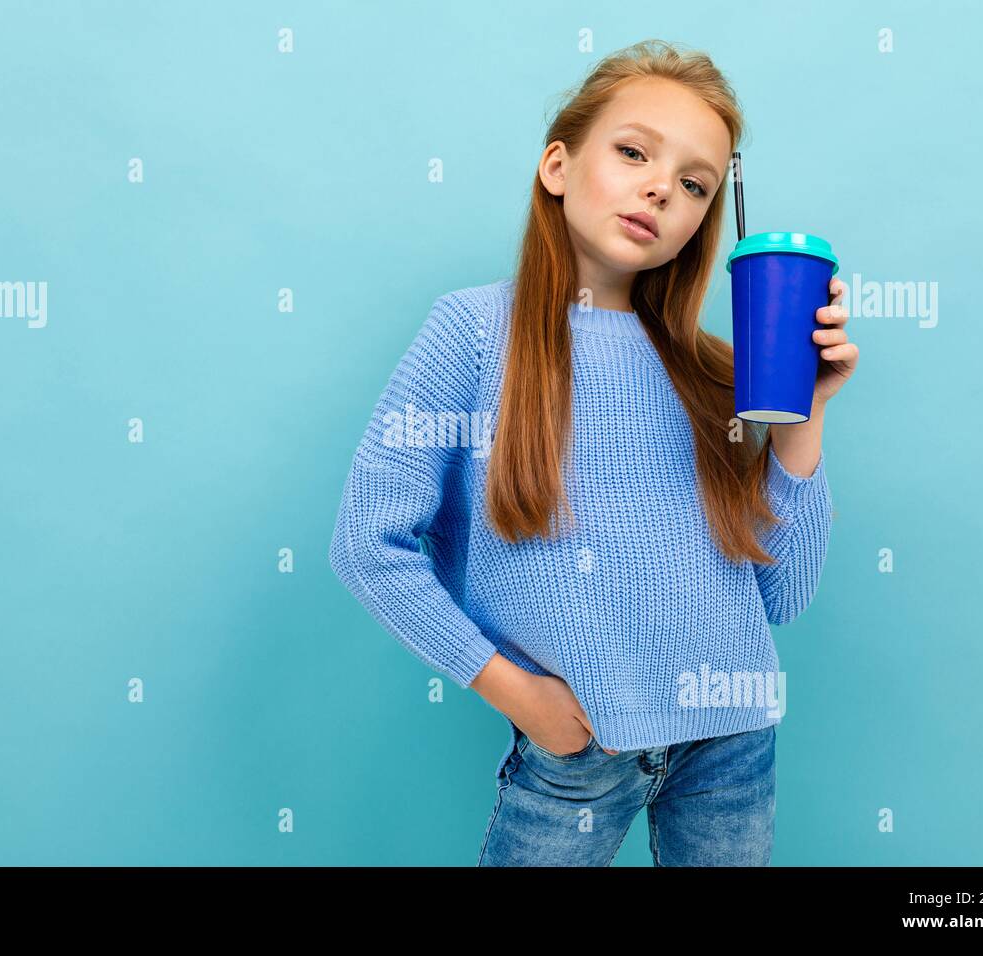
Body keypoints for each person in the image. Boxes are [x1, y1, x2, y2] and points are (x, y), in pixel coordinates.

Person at [328, 39, 858, 866]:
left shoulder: (719, 373)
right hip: (576, 750)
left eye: (693, 185)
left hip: (734, 746)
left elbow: (783, 595)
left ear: (701, 226)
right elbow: (368, 546)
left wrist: (802, 420)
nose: (659, 187)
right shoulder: (472, 333)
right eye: (634, 151)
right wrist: (516, 692)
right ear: (558, 166)